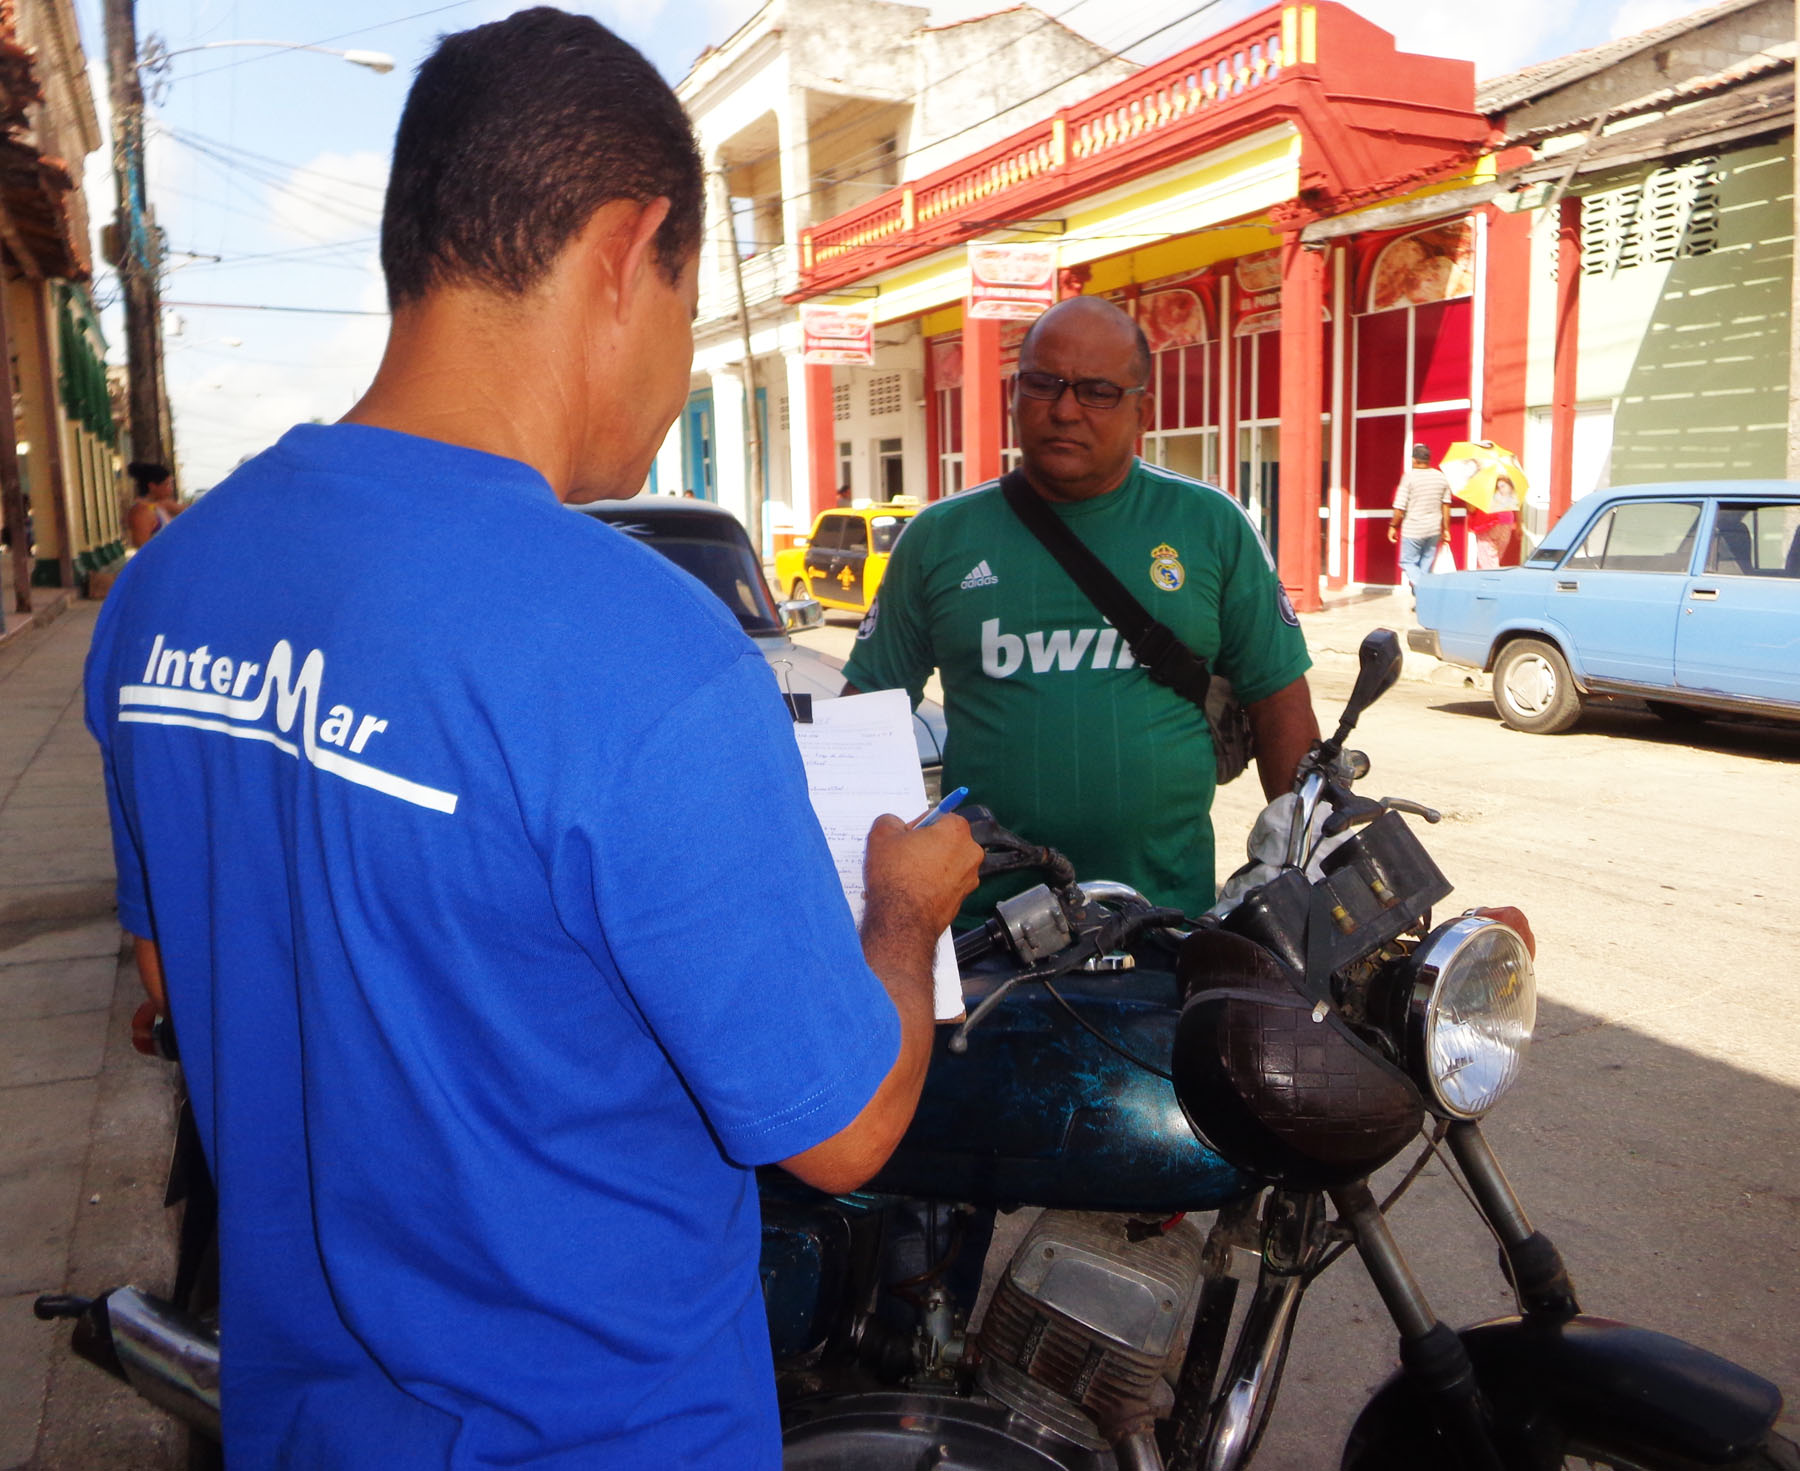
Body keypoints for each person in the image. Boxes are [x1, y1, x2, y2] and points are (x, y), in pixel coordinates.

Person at [84, 11, 980, 1468]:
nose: (683, 368)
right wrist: (902, 911)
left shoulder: (169, 589)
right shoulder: (646, 651)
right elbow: (844, 1134)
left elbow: (181, 973)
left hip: (303, 1422)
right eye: (690, 307)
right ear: (628, 252)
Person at [843, 295, 1318, 920]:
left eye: (1097, 391)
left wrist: (1308, 878)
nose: (1064, 410)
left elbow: (1280, 703)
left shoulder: (1211, 525)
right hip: (981, 931)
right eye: (1044, 384)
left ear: (1141, 410)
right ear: (1015, 395)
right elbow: (861, 724)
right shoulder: (939, 537)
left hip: (1165, 922)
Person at [1387, 443, 1452, 592]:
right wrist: (1446, 529)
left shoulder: (1409, 478)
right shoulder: (1441, 477)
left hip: (1413, 530)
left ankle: (1423, 589)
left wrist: (1393, 526)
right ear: (1428, 459)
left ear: (1414, 460)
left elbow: (1400, 507)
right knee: (1425, 566)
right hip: (1434, 530)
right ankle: (1422, 601)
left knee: (1408, 562)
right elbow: (1446, 506)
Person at [1469, 474, 1520, 568]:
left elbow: (1471, 509)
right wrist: (1520, 524)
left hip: (1488, 524)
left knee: (1487, 562)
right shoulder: (1505, 481)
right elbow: (1516, 504)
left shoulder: (1479, 484)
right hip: (1507, 521)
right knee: (1494, 557)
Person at [125, 461, 180, 547]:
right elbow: (143, 550)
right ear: (152, 486)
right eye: (167, 485)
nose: (170, 490)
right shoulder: (141, 512)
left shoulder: (157, 507)